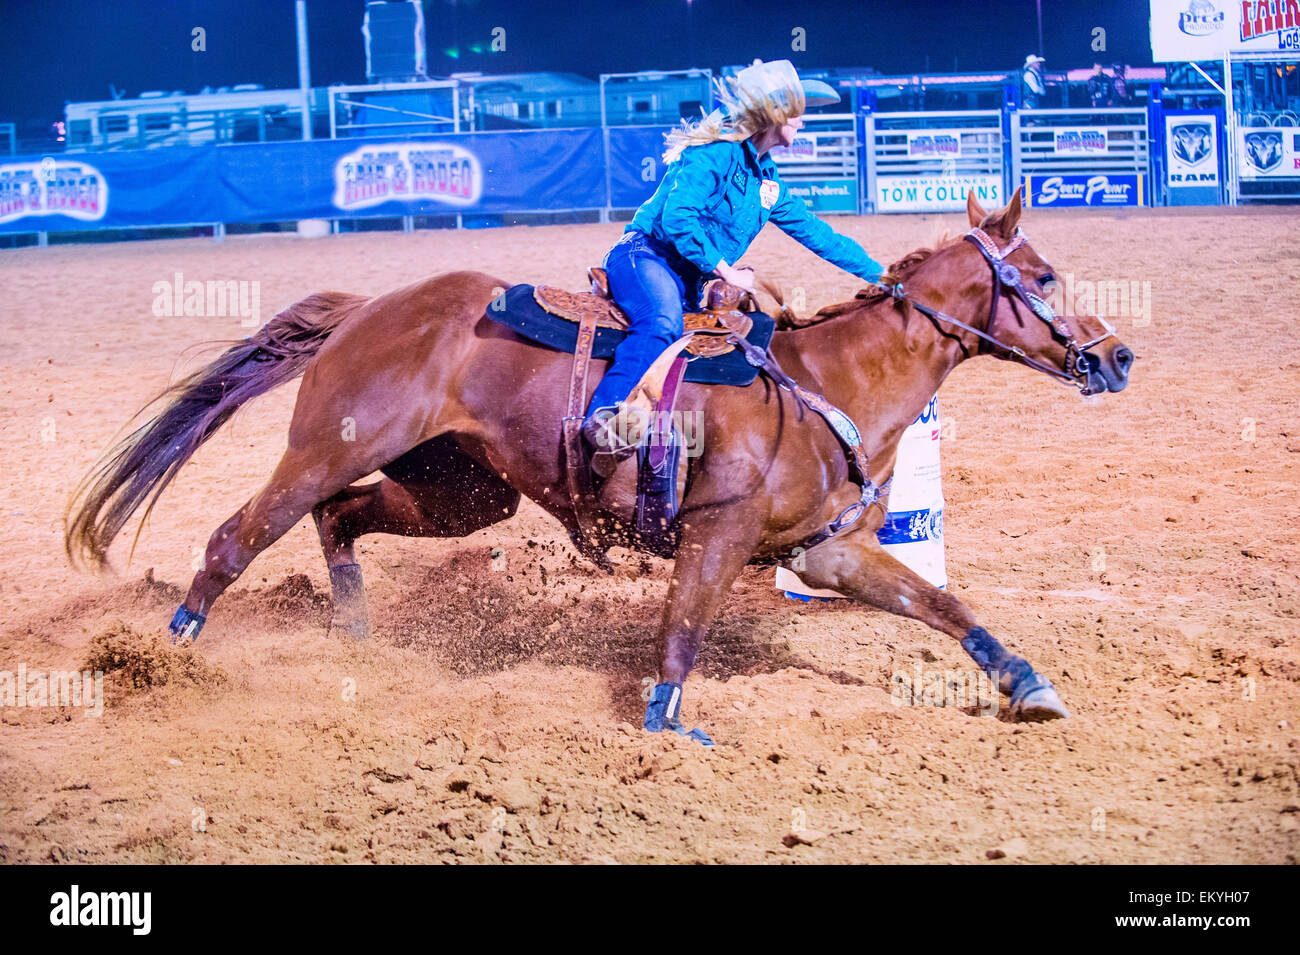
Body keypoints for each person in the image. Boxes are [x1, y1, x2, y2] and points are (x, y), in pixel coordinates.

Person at [580, 58, 886, 478]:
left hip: (686, 274)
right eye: (797, 113)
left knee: (708, 345)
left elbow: (819, 235)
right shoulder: (715, 154)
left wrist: (880, 275)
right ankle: (604, 420)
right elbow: (677, 218)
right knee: (661, 323)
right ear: (774, 116)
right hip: (645, 256)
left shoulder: (768, 183)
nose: (803, 122)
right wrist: (725, 270)